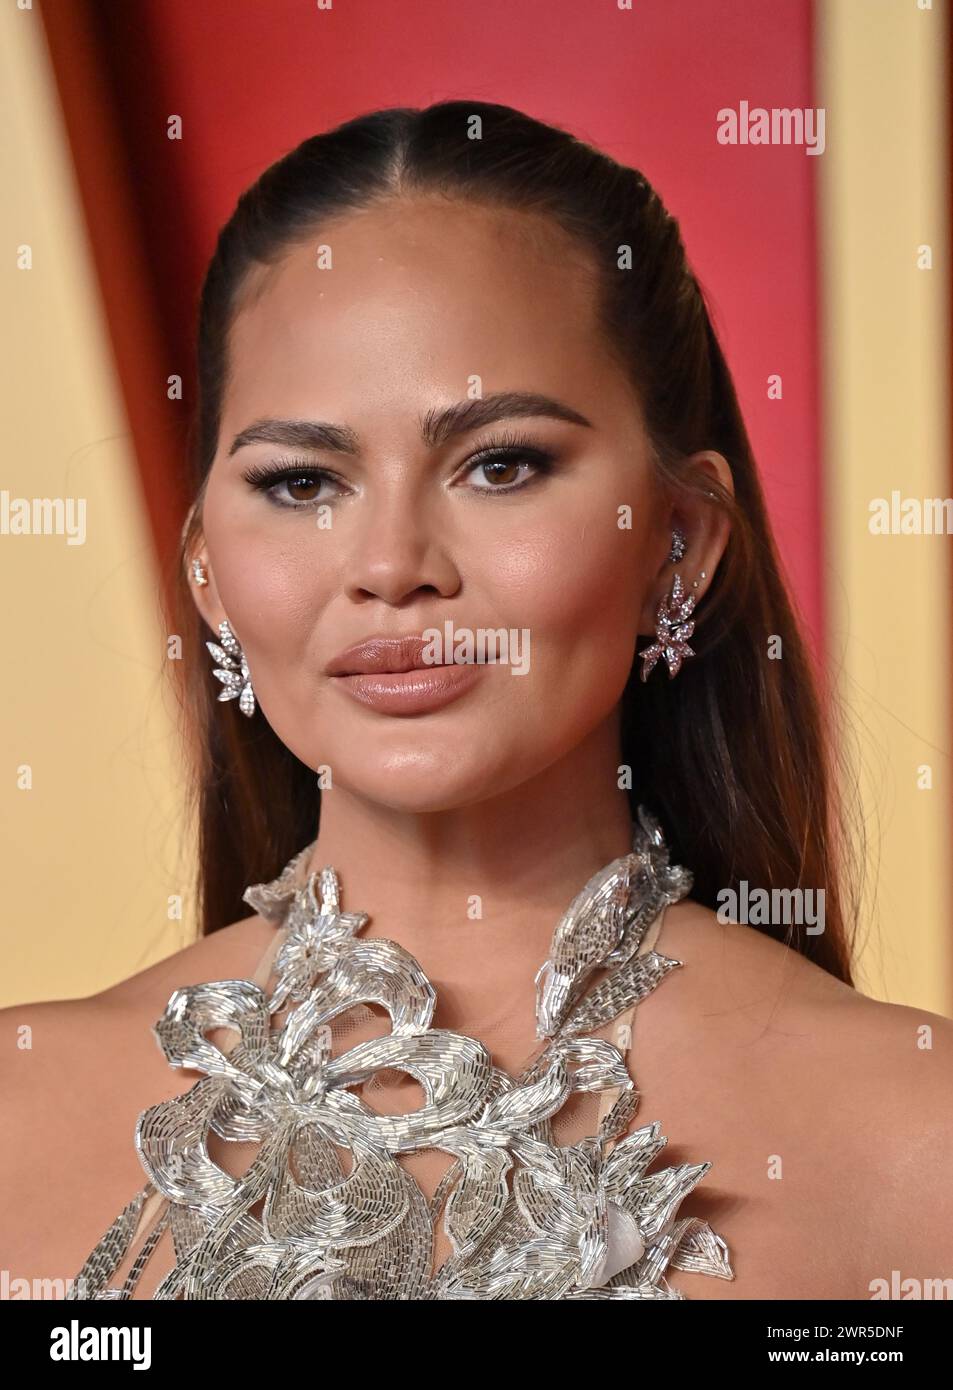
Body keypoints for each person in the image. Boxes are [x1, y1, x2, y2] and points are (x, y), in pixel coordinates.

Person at [2, 100, 951, 1301]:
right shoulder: (15, 1121)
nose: (391, 563)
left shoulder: (918, 1150)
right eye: (301, 481)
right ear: (207, 568)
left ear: (681, 538)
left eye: (499, 464)